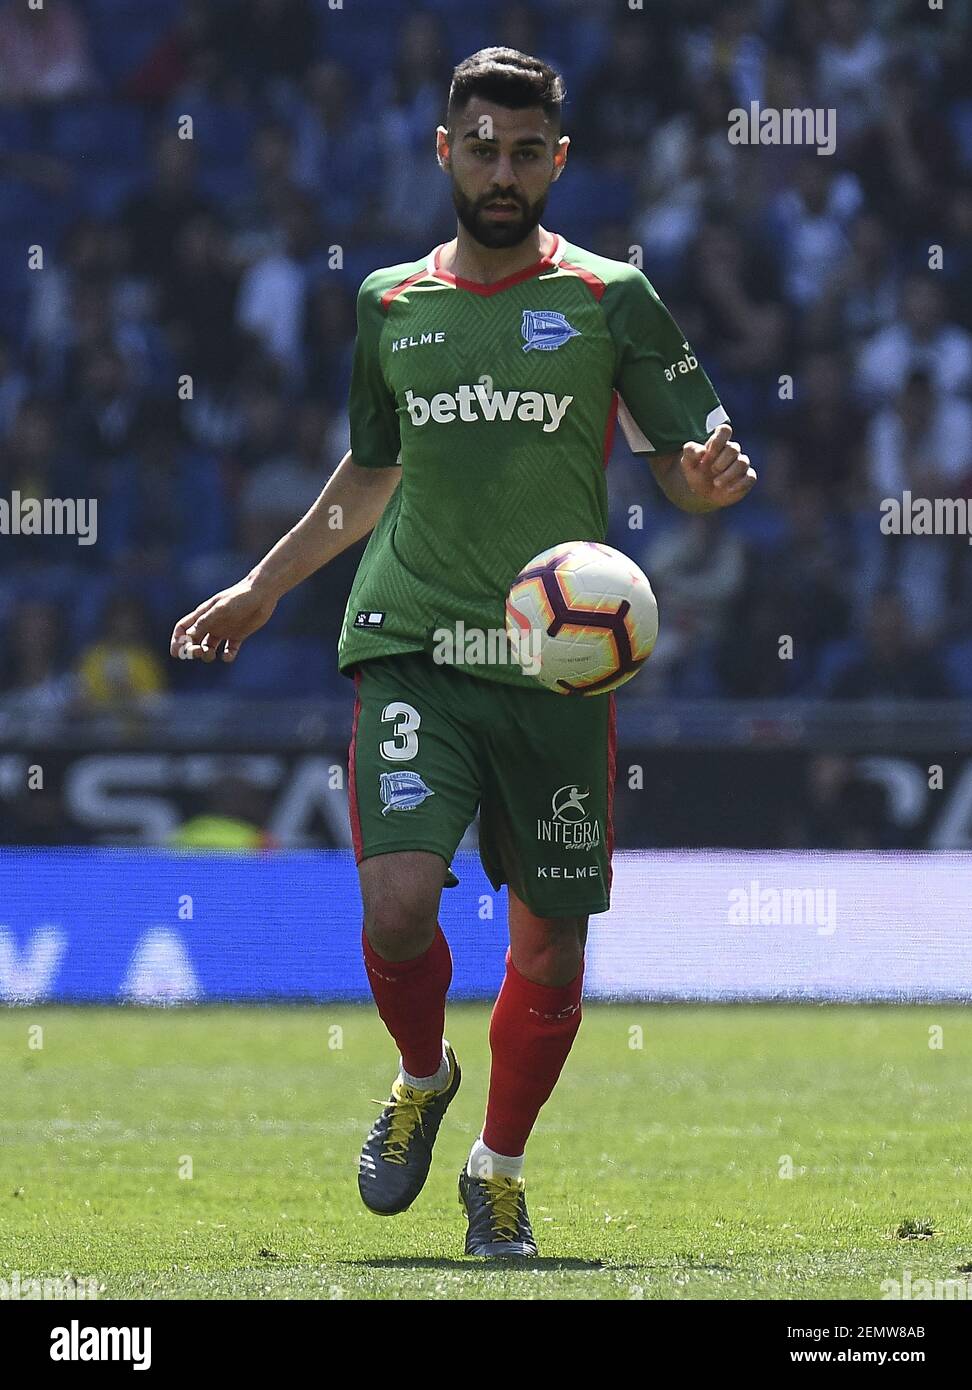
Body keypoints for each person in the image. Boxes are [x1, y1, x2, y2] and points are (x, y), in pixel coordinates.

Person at [170, 48, 756, 1258]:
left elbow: (687, 469)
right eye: (482, 148)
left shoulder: (610, 298)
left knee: (552, 939)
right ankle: (422, 1073)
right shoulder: (389, 302)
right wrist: (263, 586)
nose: (504, 171)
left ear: (559, 160)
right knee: (394, 908)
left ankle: (498, 1166)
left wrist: (704, 486)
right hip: (413, 641)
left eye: (527, 151)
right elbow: (368, 477)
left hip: (554, 669)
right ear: (445, 151)